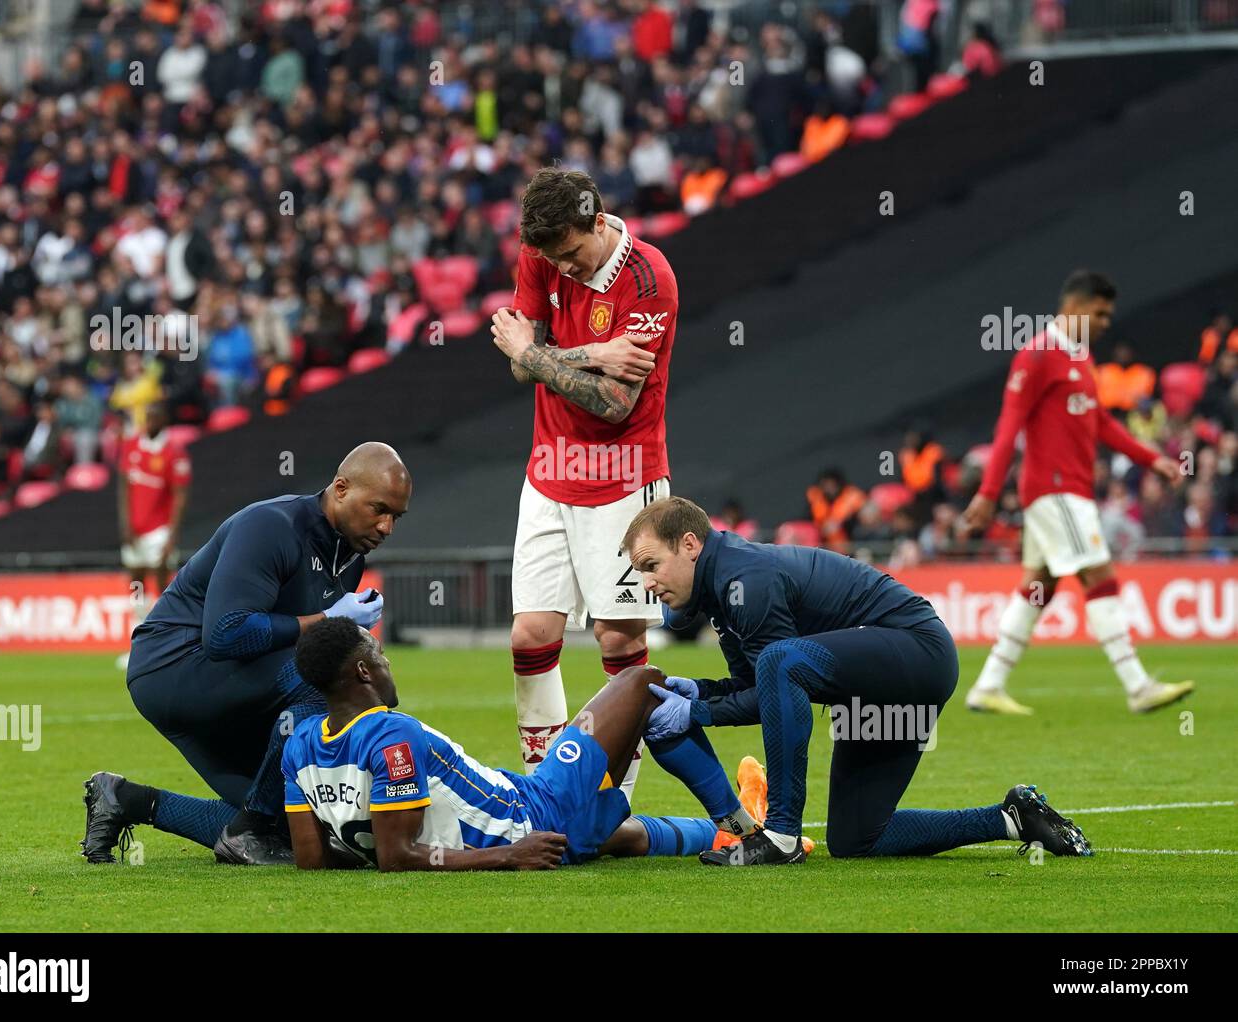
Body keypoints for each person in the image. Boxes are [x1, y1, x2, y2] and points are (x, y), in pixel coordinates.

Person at [624, 496, 1094, 867]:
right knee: (857, 838)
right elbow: (757, 691)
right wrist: (701, 692)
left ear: (689, 545)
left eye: (650, 565)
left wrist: (698, 712)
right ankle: (1014, 818)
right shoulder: (725, 587)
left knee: (781, 661)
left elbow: (776, 675)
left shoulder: (742, 577)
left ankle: (782, 834)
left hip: (915, 652)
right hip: (886, 686)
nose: (647, 583)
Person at [80, 443, 410, 866]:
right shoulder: (270, 526)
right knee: (324, 678)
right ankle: (248, 830)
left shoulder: (348, 556)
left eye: (395, 517)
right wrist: (328, 617)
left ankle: (125, 799)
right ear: (341, 488)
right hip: (175, 666)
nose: (386, 527)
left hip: (240, 683)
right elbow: (225, 634)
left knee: (303, 823)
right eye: (379, 509)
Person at [283, 617, 772, 871]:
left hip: (529, 821)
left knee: (611, 836)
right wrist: (509, 854)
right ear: (364, 671)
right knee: (645, 681)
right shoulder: (392, 733)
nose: (389, 665)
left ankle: (738, 828)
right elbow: (398, 857)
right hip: (533, 812)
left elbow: (313, 859)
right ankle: (743, 830)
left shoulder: (300, 744)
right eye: (381, 655)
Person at [490, 167, 678, 792]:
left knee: (618, 638)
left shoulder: (650, 282)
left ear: (598, 223)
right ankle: (544, 789)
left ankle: (611, 793)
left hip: (625, 481)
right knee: (530, 635)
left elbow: (613, 404)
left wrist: (535, 353)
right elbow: (522, 369)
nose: (561, 269)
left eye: (571, 253)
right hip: (547, 471)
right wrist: (594, 352)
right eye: (550, 258)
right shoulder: (541, 252)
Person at [962, 271, 1194, 715]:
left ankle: (988, 685)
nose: (1107, 322)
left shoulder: (1081, 357)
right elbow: (1009, 425)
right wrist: (989, 492)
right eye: (1100, 313)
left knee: (1038, 588)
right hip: (1054, 490)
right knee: (1100, 575)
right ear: (1073, 308)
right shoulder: (1038, 355)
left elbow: (1101, 422)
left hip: (1070, 489)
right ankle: (1138, 686)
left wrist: (1153, 459)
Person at [115, 399, 190, 671]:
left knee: (162, 583)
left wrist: (172, 535)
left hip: (159, 530)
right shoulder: (132, 445)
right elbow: (124, 487)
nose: (149, 421)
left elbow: (180, 497)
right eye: (147, 417)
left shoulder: (174, 452)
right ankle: (137, 644)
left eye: (154, 416)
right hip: (135, 529)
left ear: (164, 420)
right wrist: (125, 524)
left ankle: (163, 646)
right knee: (136, 583)